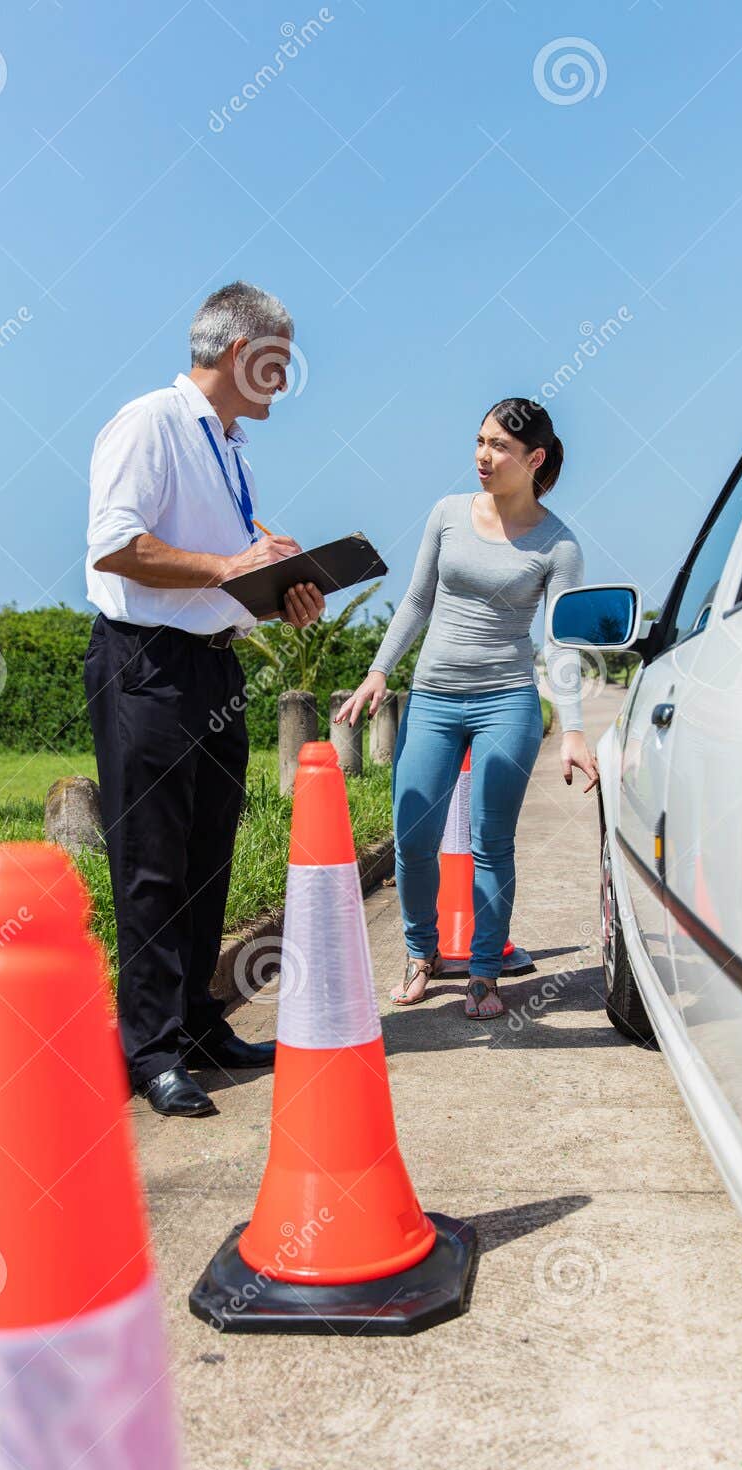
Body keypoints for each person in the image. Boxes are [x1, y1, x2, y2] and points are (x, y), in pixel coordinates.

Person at [83, 282, 325, 1119]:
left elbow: (219, 570)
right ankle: (147, 1050)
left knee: (205, 856)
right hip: (145, 665)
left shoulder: (232, 449)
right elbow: (117, 545)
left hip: (215, 667)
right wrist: (228, 568)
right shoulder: (150, 422)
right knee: (151, 864)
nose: (281, 381)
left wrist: (277, 581)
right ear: (237, 351)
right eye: (277, 363)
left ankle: (194, 1025)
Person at [335, 398, 597, 1022]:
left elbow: (560, 642)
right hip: (432, 696)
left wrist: (576, 728)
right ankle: (422, 953)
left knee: (491, 841)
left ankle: (483, 972)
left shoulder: (559, 545)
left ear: (534, 459)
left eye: (499, 447)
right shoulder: (448, 514)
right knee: (413, 837)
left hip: (507, 700)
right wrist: (379, 672)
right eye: (479, 441)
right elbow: (418, 599)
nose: (483, 456)